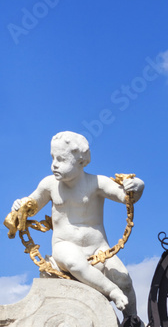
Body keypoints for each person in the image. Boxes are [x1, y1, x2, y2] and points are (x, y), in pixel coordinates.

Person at [8, 131, 144, 315]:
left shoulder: (97, 183)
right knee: (75, 263)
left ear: (81, 161)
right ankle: (112, 291)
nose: (54, 165)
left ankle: (134, 323)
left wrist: (137, 186)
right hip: (64, 245)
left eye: (61, 159)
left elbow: (126, 197)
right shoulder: (49, 185)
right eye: (53, 158)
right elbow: (31, 205)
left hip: (99, 249)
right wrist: (20, 205)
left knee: (124, 280)